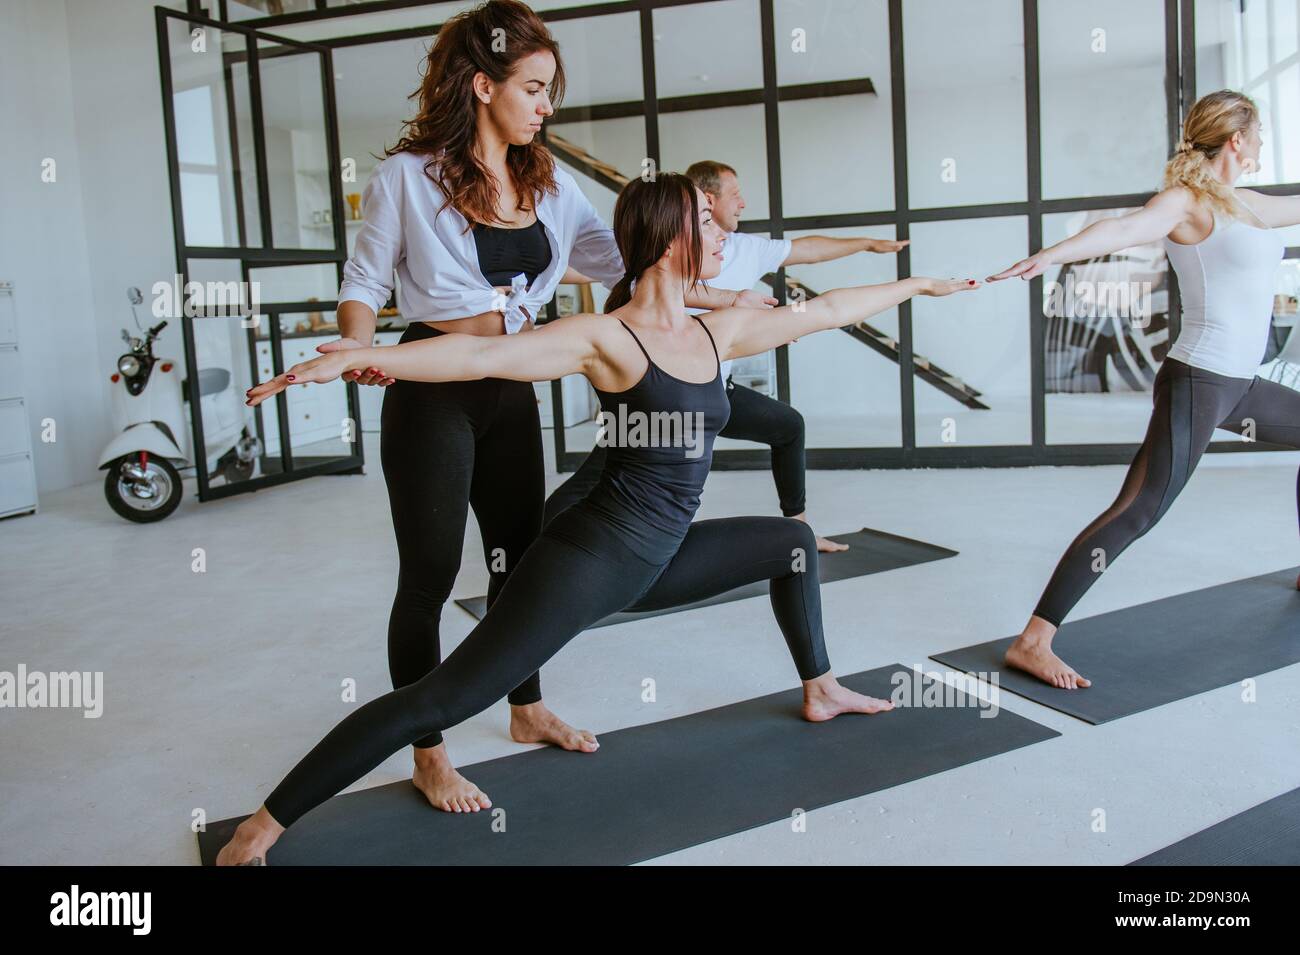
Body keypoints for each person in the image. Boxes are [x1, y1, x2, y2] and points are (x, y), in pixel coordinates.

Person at [217, 172, 976, 864]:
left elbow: (830, 309)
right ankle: (266, 824)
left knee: (795, 544)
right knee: (442, 697)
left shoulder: (718, 331)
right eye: (710, 227)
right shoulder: (607, 338)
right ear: (673, 238)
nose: (724, 240)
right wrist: (352, 357)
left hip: (662, 557)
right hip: (590, 562)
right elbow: (475, 360)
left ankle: (821, 686)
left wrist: (915, 284)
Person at [327, 0, 769, 813]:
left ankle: (524, 707)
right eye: (533, 87)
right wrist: (357, 348)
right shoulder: (405, 179)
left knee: (516, 558)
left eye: (550, 89)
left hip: (511, 392)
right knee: (427, 575)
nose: (546, 105)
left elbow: (631, 262)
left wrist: (729, 291)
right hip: (431, 391)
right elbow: (363, 284)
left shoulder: (553, 184)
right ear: (482, 84)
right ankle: (427, 748)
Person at [989, 89, 1300, 690]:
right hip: (1199, 382)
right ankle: (1033, 640)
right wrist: (1047, 257)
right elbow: (1123, 228)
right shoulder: (1188, 202)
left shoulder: (1250, 204)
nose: (1261, 144)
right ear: (1237, 138)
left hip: (1242, 386)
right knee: (1138, 510)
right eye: (1257, 134)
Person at [546, 160, 909, 553]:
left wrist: (869, 245)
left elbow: (810, 254)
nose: (742, 203)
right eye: (733, 196)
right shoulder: (669, 254)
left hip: (715, 387)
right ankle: (541, 550)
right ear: (707, 200)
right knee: (605, 476)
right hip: (661, 393)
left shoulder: (745, 249)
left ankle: (799, 529)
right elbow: (641, 280)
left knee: (787, 426)